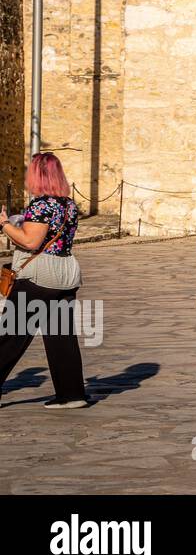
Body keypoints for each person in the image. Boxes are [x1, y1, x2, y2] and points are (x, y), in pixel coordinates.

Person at [0, 153, 88, 409]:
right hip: (66, 274)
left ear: (36, 175)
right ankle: (71, 394)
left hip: (40, 277)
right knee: (61, 336)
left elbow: (30, 241)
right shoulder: (68, 204)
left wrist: (5, 224)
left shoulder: (41, 205)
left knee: (11, 335)